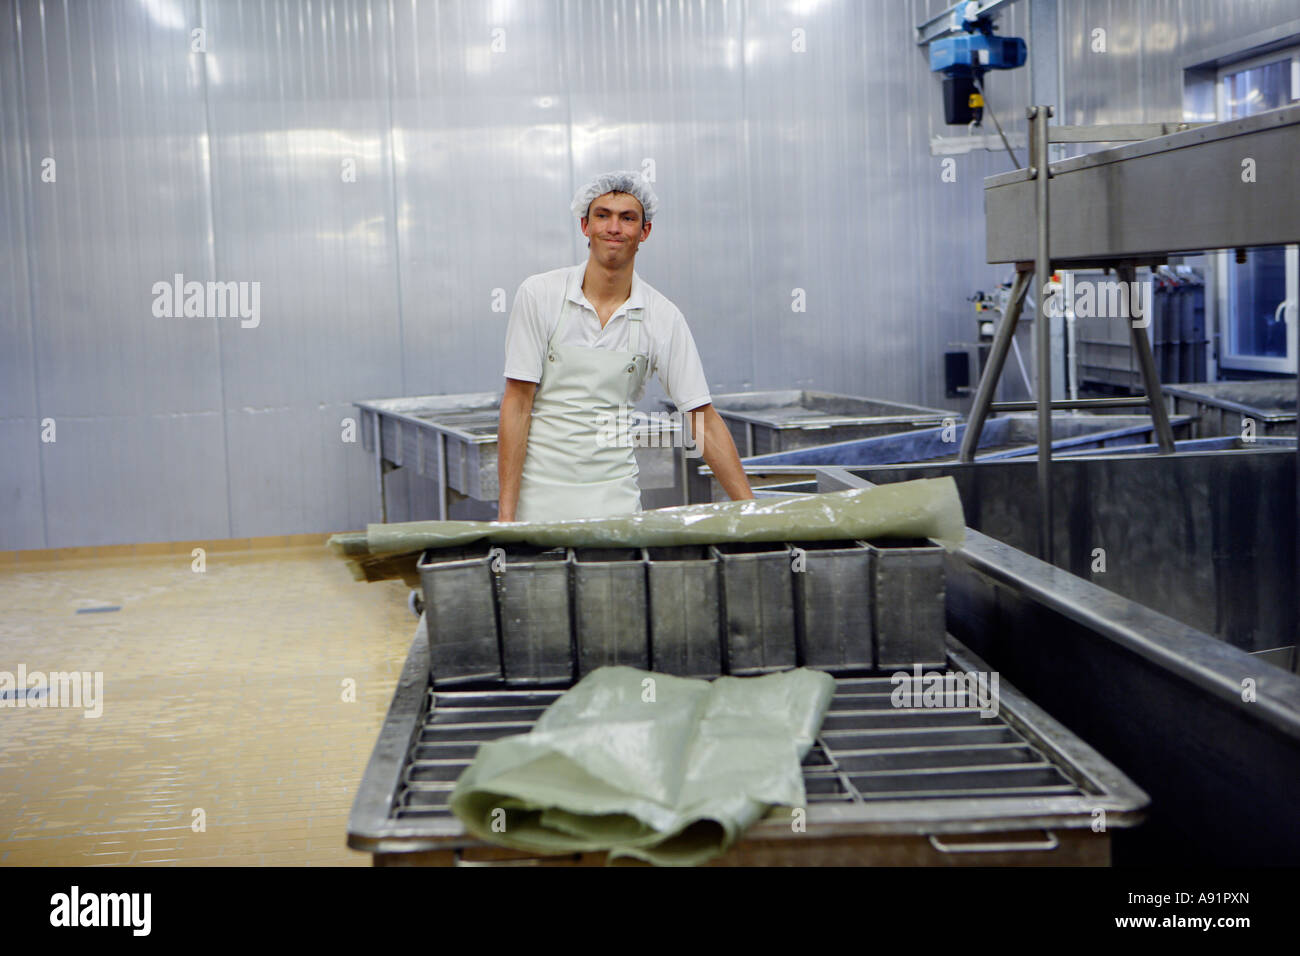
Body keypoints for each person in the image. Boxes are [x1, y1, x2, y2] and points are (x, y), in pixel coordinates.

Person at [497, 171, 753, 522]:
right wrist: (506, 518)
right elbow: (517, 402)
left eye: (627, 218)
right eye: (603, 215)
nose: (614, 228)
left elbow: (701, 419)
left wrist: (753, 514)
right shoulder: (539, 295)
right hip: (537, 502)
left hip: (615, 507)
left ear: (644, 232)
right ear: (585, 226)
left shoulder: (663, 317)